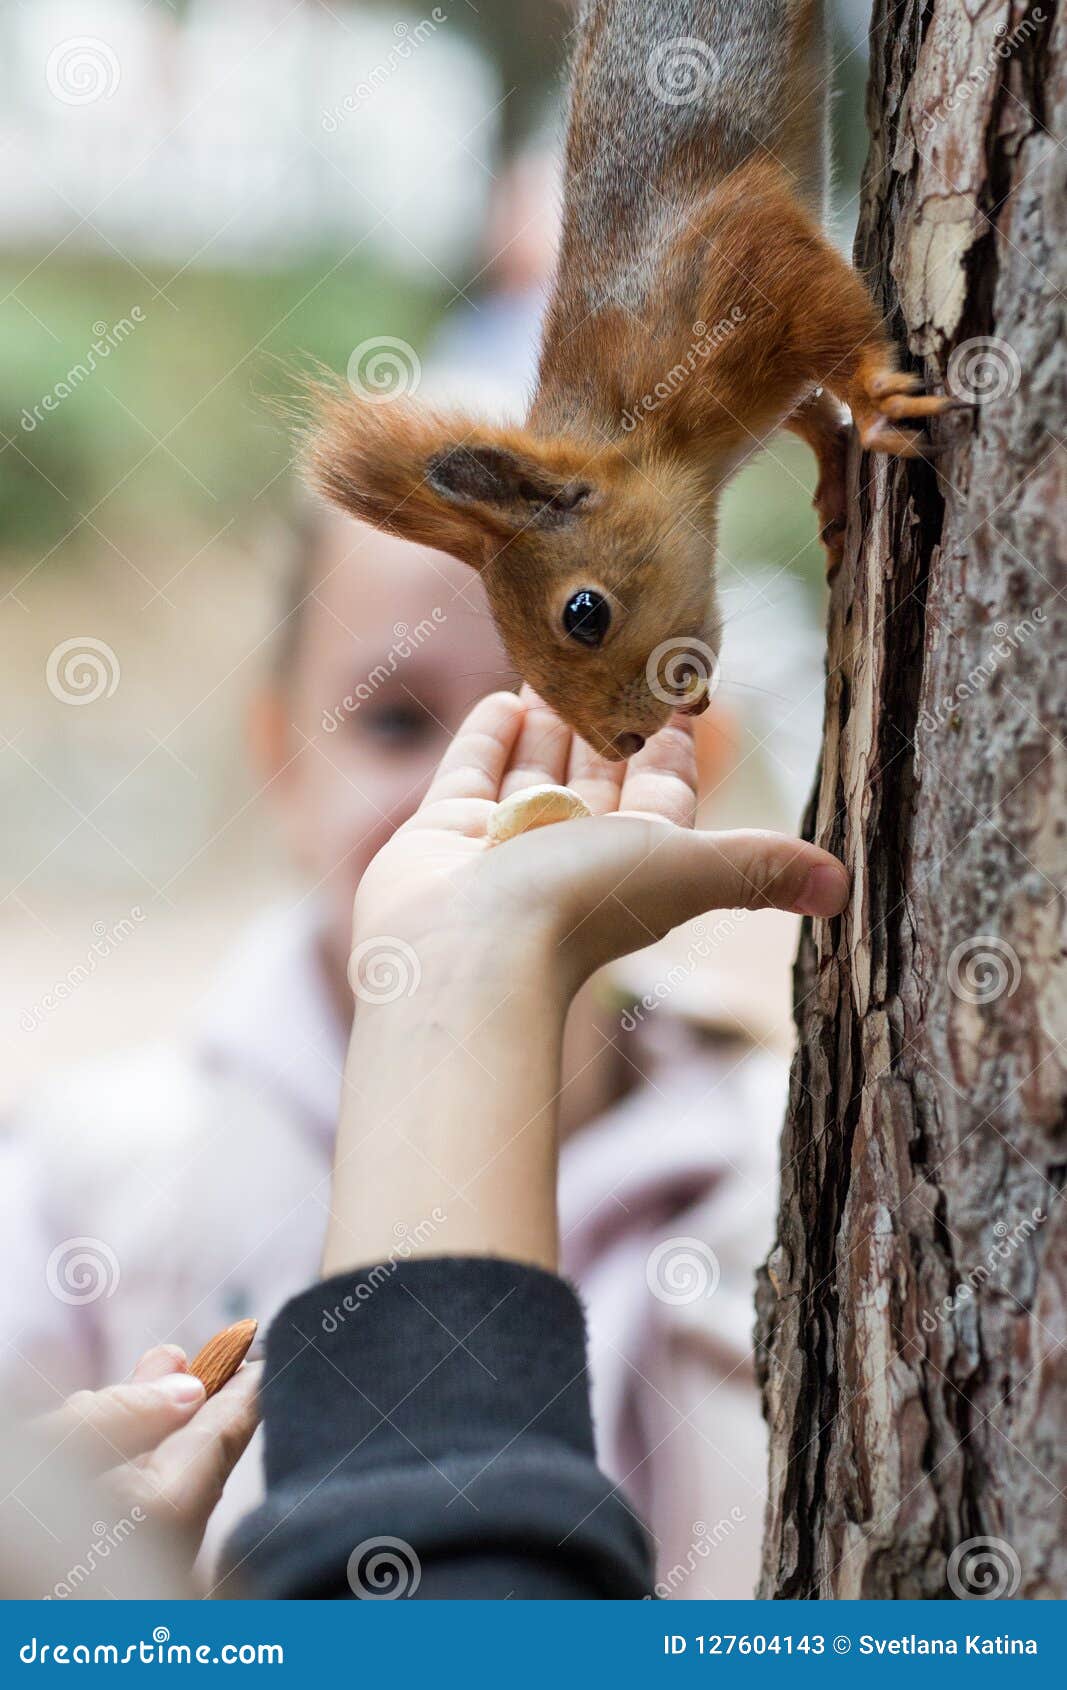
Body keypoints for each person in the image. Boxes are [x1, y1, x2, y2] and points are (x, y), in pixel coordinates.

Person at [0, 506, 817, 1595]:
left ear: (686, 756)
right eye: (394, 721)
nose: (474, 805)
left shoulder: (800, 1168)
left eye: (559, 719)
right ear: (278, 762)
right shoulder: (77, 1184)